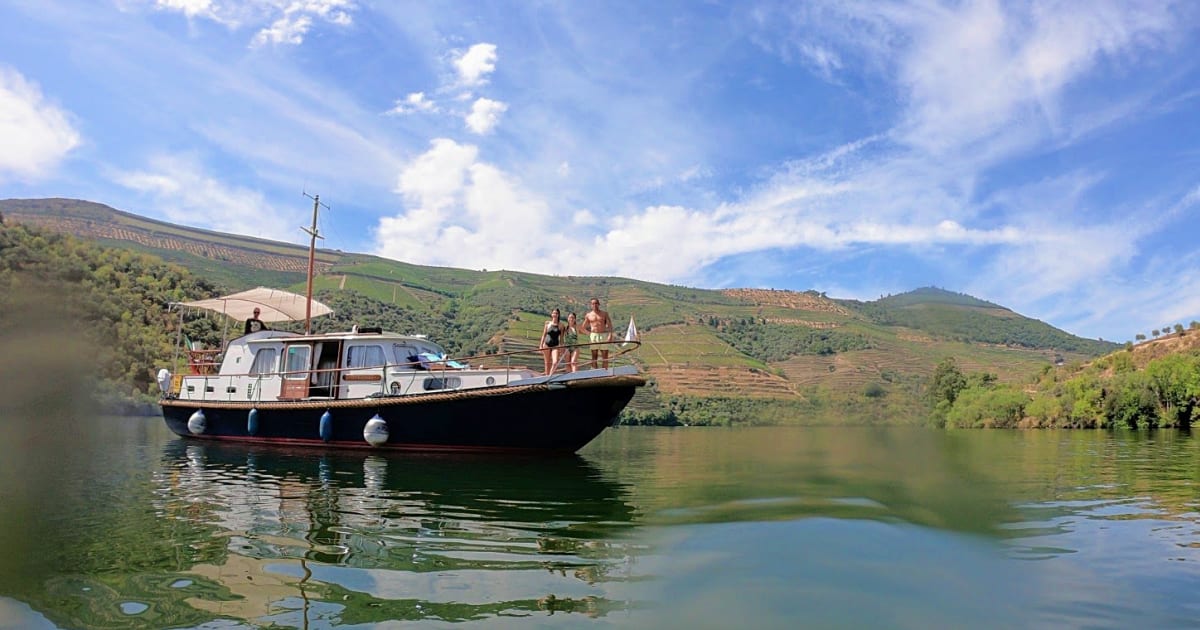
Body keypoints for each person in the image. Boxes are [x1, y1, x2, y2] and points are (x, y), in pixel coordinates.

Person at [582, 298, 613, 369]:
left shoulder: (604, 314)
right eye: (593, 303)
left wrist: (610, 335)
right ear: (591, 305)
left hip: (603, 335)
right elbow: (583, 327)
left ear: (599, 304)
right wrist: (589, 334)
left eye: (596, 303)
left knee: (605, 355)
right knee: (594, 355)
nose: (594, 305)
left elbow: (610, 325)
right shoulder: (588, 315)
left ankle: (605, 372)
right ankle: (595, 373)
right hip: (594, 336)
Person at [539, 308, 564, 375]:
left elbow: (561, 338)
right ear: (551, 314)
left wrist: (561, 347)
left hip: (555, 346)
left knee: (555, 362)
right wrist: (540, 345)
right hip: (546, 345)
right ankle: (547, 378)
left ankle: (550, 376)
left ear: (558, 315)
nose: (555, 314)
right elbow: (543, 335)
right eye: (554, 313)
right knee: (547, 363)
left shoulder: (561, 325)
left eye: (556, 313)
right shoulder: (547, 324)